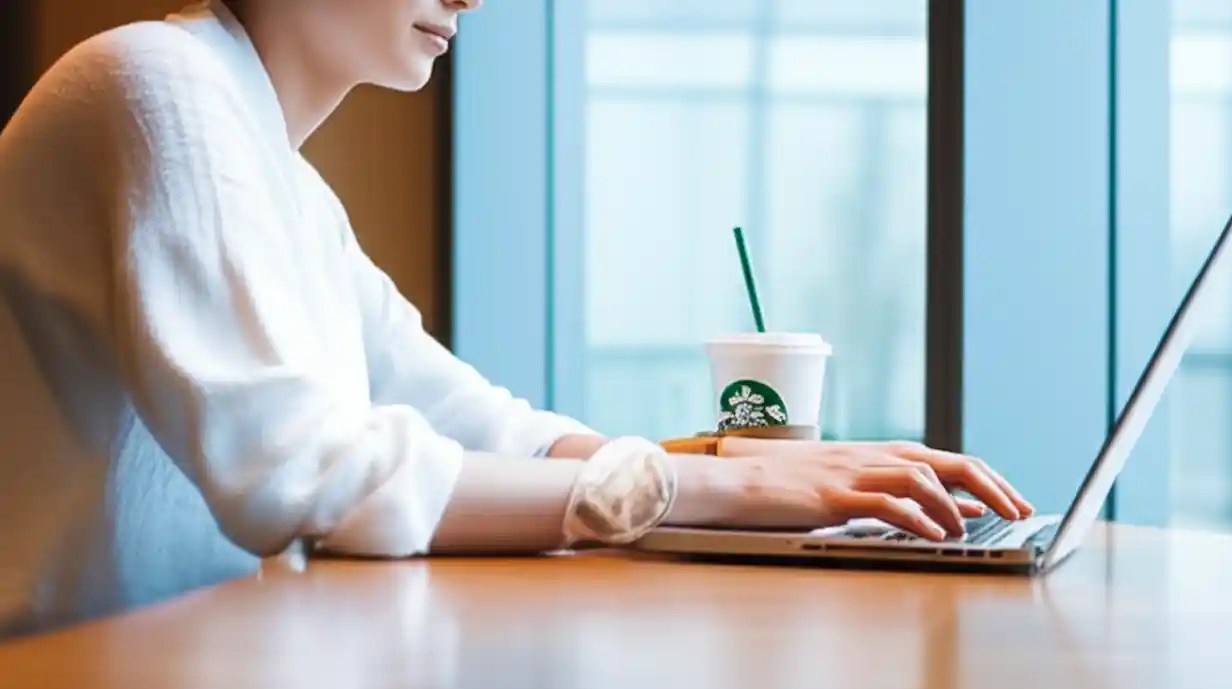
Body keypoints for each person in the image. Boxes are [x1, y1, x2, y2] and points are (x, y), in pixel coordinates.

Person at [0, 0, 1034, 638]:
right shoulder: (154, 82)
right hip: (62, 682)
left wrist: (774, 477)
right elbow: (306, 477)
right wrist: (706, 484)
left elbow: (468, 419)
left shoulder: (285, 185)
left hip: (159, 671)